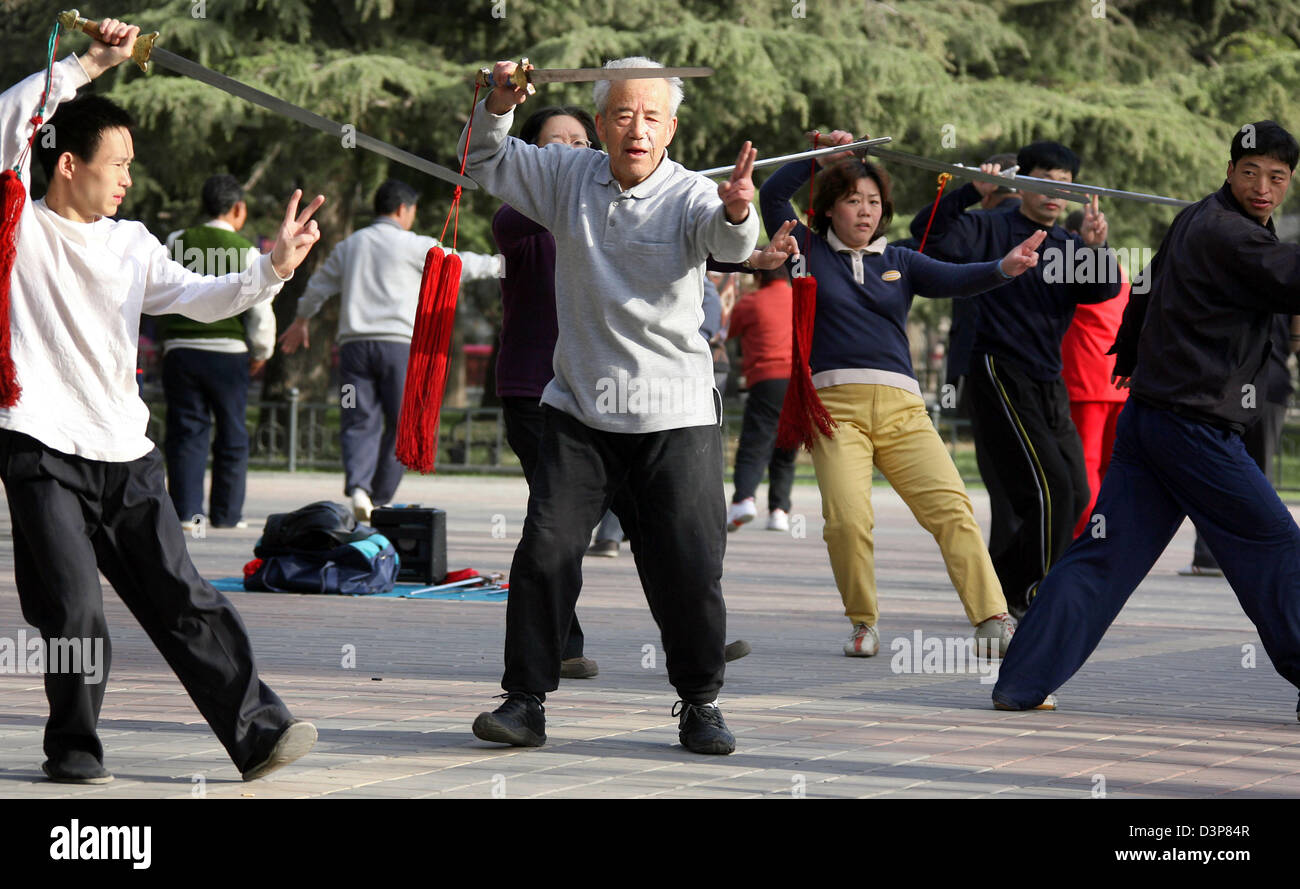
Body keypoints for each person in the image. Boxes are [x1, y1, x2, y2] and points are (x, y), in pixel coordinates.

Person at [0, 19, 322, 783]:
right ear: (66, 163)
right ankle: (74, 749)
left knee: (185, 594)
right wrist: (91, 62)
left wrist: (271, 269)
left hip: (125, 453)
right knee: (74, 614)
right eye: (115, 164)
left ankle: (258, 732)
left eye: (131, 167)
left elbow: (203, 297)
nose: (127, 179)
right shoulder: (19, 220)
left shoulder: (134, 242)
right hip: (40, 447)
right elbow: (11, 119)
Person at [462, 57, 760, 755]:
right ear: (599, 124)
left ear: (672, 128)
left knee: (688, 563)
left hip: (675, 413)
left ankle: (700, 703)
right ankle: (525, 701)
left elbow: (729, 242)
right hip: (579, 409)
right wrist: (499, 101)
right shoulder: (567, 178)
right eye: (623, 114)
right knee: (546, 551)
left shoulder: (691, 194)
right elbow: (481, 158)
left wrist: (740, 209)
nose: (637, 128)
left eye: (652, 116)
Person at [993, 121, 1300, 718]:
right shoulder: (1227, 234)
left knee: (1103, 555)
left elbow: (1145, 285)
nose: (1263, 187)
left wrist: (1132, 357)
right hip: (1192, 428)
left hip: (1152, 420)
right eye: (1250, 173)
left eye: (1278, 177)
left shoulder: (1198, 218)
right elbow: (1289, 276)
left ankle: (1022, 682)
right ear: (1230, 172)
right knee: (1275, 546)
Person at [761, 131, 1047, 658]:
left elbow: (960, 278)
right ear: (828, 209)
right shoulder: (804, 250)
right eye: (852, 201)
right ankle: (863, 622)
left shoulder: (901, 260)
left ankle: (991, 619)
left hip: (904, 413)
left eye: (873, 202)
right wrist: (818, 158)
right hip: (834, 414)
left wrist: (1006, 268)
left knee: (954, 509)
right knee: (847, 519)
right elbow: (772, 197)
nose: (865, 211)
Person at [910, 142, 1121, 618]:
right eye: (1043, 179)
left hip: (1049, 377)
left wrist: (1096, 247)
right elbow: (925, 233)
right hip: (998, 368)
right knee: (1050, 490)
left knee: (1077, 492)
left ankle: (1002, 584)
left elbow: (1104, 290)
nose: (1053, 192)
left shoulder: (1069, 245)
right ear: (1022, 181)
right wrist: (969, 191)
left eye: (1064, 184)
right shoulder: (989, 227)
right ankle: (1039, 594)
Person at [279, 179, 498, 521]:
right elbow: (462, 264)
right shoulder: (415, 245)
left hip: (353, 352)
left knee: (356, 418)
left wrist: (301, 320)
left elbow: (318, 286)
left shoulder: (350, 246)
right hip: (399, 350)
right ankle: (379, 497)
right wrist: (502, 265)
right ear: (402, 209)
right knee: (403, 422)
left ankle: (359, 488)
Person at [157, 173, 274, 530]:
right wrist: (262, 350)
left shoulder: (176, 241)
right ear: (238, 208)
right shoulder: (247, 251)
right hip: (228, 353)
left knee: (186, 431)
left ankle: (188, 514)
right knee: (232, 432)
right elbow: (259, 308)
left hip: (181, 351)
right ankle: (227, 515)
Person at [1181, 313, 1295, 575]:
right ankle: (1263, 556)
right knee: (1258, 476)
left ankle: (1208, 555)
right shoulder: (1283, 273)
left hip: (1226, 383)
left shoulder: (1220, 272)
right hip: (1269, 381)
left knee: (1212, 469)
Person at [1059, 208, 1130, 539]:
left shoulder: (1071, 269)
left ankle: (1086, 533)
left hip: (1084, 378)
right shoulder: (1119, 272)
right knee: (1110, 464)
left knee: (1084, 462)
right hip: (1119, 380)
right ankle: (1110, 531)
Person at [726, 266, 796, 532]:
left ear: (758, 276)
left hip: (767, 379)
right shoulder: (798, 299)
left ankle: (743, 500)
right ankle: (779, 511)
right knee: (786, 447)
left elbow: (727, 331)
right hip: (799, 381)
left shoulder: (752, 302)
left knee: (755, 442)